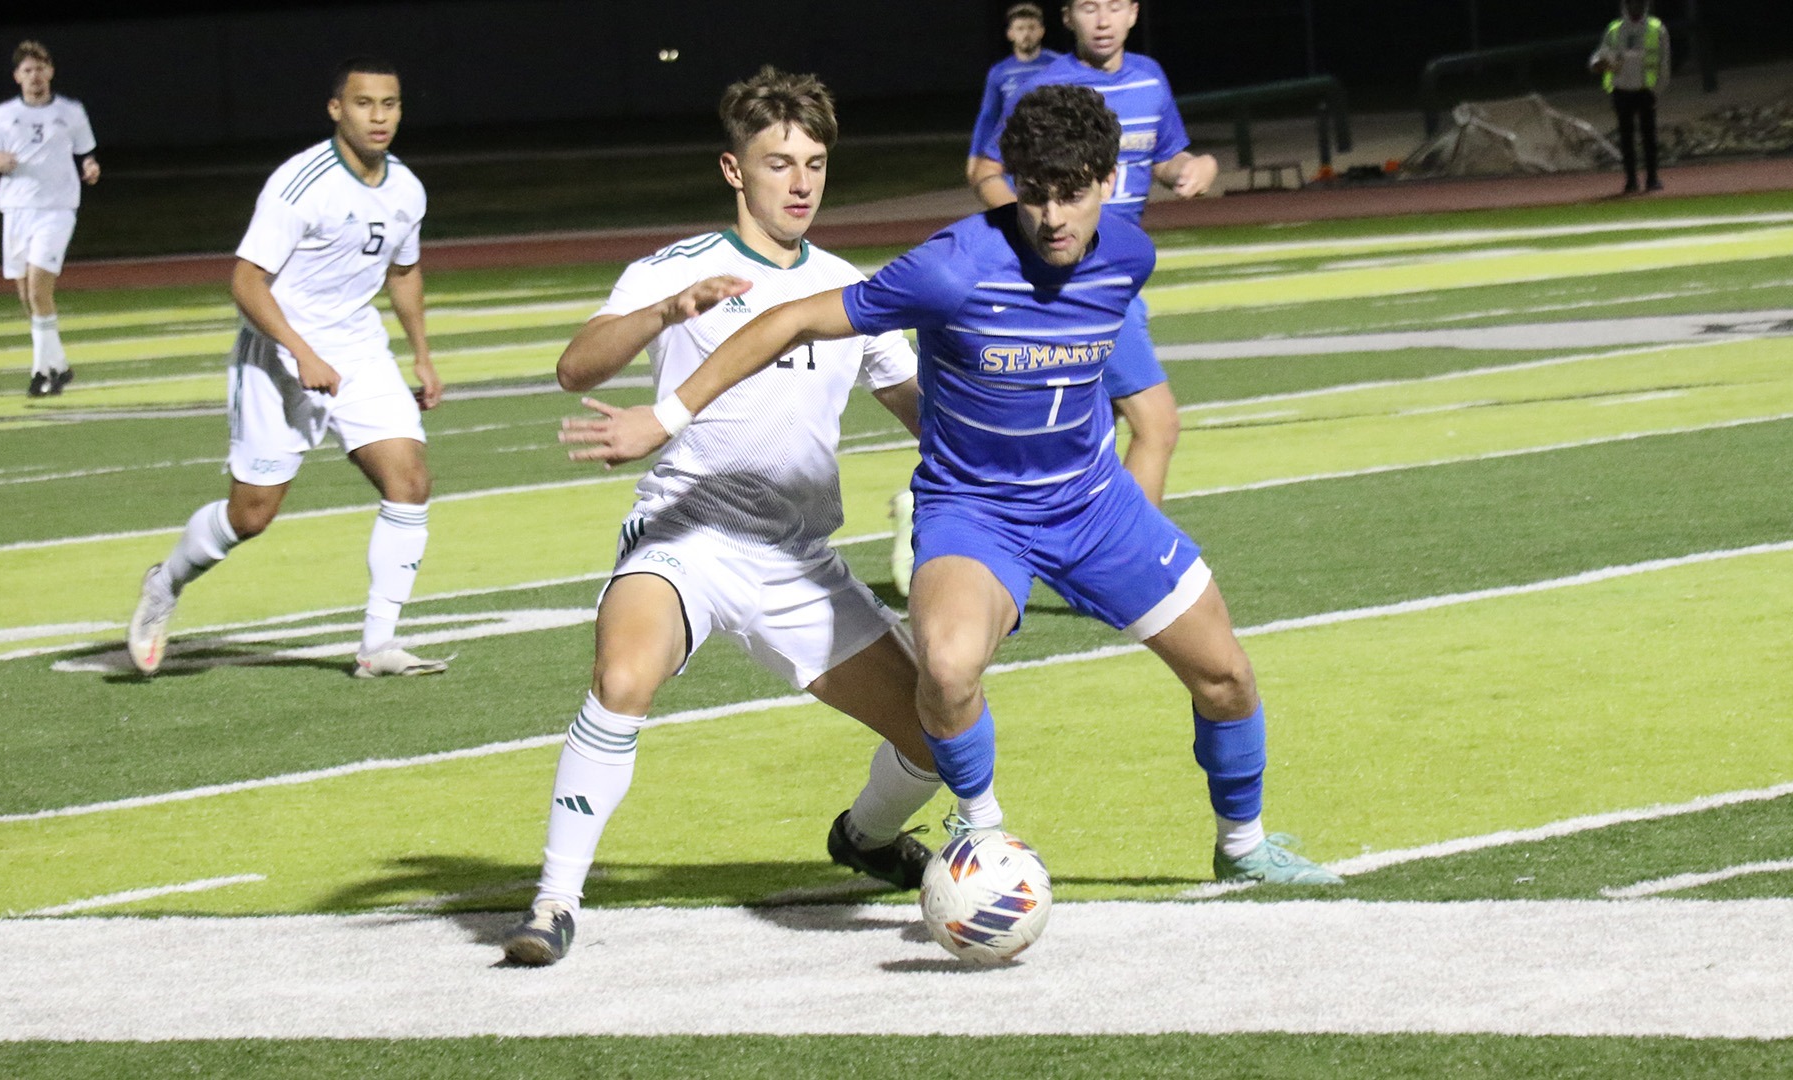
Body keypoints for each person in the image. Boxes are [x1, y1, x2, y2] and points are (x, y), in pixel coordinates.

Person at [564, 84, 1342, 889]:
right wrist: (668, 414)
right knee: (945, 669)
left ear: (1109, 182)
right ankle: (984, 839)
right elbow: (790, 318)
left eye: (1071, 195)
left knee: (1226, 677)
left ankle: (1243, 844)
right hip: (976, 514)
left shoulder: (1129, 258)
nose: (1051, 218)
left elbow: (1101, 365)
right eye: (1032, 195)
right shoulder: (950, 267)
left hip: (1091, 504)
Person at [502, 68, 943, 967]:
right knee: (623, 677)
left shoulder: (849, 290)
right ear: (734, 171)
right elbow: (576, 368)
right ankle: (553, 903)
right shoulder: (675, 270)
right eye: (779, 162)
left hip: (798, 562)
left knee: (940, 734)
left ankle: (862, 838)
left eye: (814, 162)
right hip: (686, 539)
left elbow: (924, 415)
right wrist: (664, 313)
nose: (802, 181)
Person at [126, 57, 448, 680]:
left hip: (357, 352)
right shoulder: (301, 183)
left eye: (390, 104)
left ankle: (377, 646)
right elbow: (246, 281)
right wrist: (302, 351)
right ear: (336, 109)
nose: (378, 117)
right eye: (364, 104)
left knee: (409, 482)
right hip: (279, 354)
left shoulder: (408, 188)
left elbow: (403, 272)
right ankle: (165, 584)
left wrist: (422, 355)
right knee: (251, 515)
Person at [889, 0, 1199, 594]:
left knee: (1082, 434)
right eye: (1089, 6)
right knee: (1157, 424)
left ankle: (930, 518)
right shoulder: (1046, 85)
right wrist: (1036, 227)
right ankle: (1138, 576)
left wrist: (1193, 166)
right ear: (1067, 16)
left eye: (1115, 5)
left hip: (1110, 277)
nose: (1103, 18)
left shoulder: (1151, 78)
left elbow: (1162, 155)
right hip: (1065, 281)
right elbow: (983, 165)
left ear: (1134, 12)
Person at [0, 40, 99, 399]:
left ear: (51, 72)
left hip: (56, 210)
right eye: (28, 70)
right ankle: (57, 367)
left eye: (40, 68)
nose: (35, 76)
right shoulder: (2, 114)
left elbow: (86, 153)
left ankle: (39, 374)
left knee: (37, 289)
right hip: (16, 210)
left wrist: (90, 166)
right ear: (18, 76)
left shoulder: (70, 111)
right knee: (26, 297)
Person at [965, 4, 1061, 200]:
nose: (1026, 34)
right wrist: (975, 155)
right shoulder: (1000, 72)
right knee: (1017, 212)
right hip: (1015, 155)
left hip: (1051, 152)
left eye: (1031, 28)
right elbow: (988, 116)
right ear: (1010, 34)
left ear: (1041, 31)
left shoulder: (1057, 66)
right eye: (1020, 29)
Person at [1590, 0, 1671, 194]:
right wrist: (1599, 65)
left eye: (1639, 3)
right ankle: (1631, 180)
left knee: (1649, 136)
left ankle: (1652, 178)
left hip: (1645, 90)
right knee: (1626, 138)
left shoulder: (1656, 29)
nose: (1635, 7)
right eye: (1631, 3)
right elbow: (1599, 57)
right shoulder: (1615, 29)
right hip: (1621, 90)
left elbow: (1664, 63)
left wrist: (1656, 91)